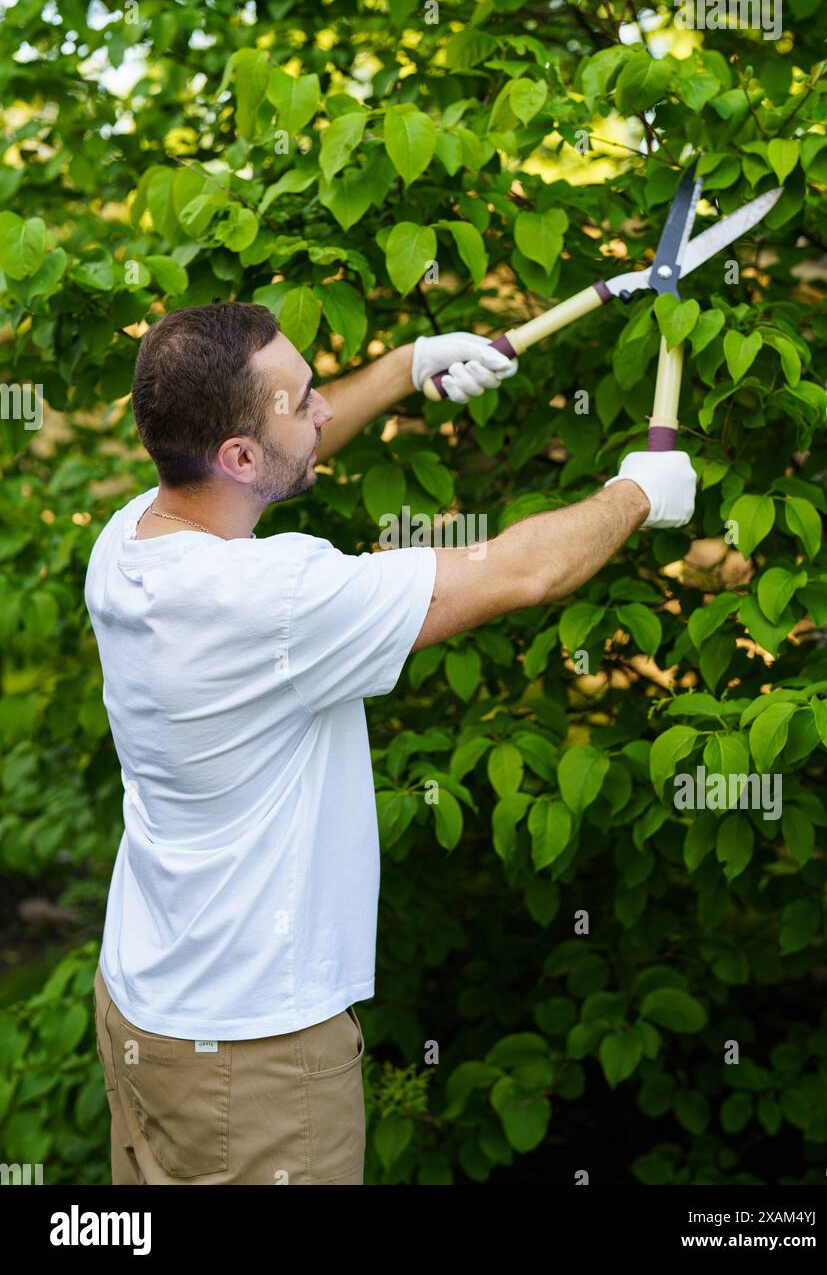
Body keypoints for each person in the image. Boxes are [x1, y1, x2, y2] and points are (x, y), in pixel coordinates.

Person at [85, 301, 696, 1185]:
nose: (324, 408)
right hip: (253, 1056)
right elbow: (525, 571)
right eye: (303, 401)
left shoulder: (133, 534)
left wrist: (409, 366)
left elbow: (277, 452)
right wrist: (639, 493)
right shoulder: (276, 599)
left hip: (146, 1002)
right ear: (239, 455)